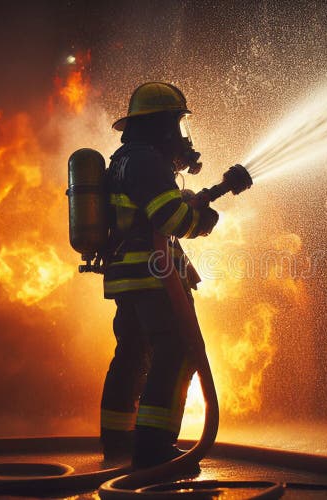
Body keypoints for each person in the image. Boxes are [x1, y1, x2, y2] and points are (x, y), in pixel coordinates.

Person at [99, 82, 218, 469]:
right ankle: (153, 448)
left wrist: (184, 200)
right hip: (152, 275)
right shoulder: (147, 161)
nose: (180, 136)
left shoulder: (123, 160)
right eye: (176, 125)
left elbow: (146, 212)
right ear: (162, 126)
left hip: (128, 276)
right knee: (177, 350)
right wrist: (202, 219)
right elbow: (171, 220)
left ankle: (118, 442)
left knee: (132, 354)